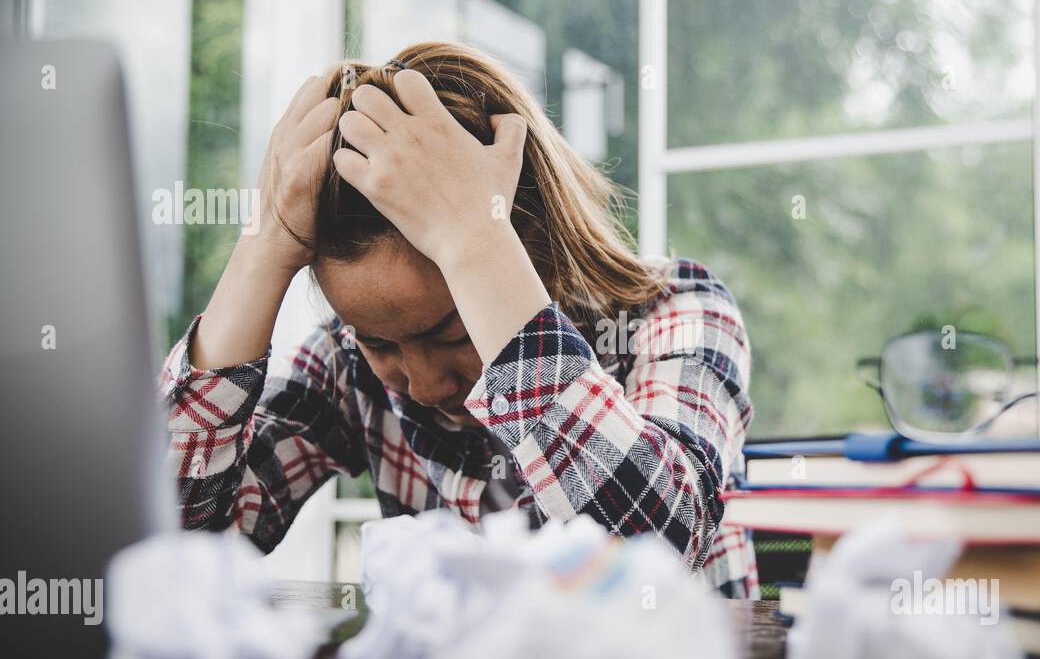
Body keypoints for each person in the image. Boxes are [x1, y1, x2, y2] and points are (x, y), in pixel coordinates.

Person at [159, 41, 758, 597]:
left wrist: (478, 242)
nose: (422, 386)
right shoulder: (346, 361)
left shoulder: (676, 310)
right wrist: (262, 248)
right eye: (380, 344)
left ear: (538, 245)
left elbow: (657, 552)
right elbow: (176, 546)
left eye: (450, 331)